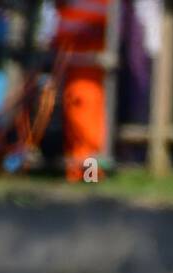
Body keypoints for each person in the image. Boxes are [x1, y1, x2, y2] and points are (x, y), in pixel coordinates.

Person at [55, 0, 113, 181]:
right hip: (75, 53)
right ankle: (80, 173)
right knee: (80, 117)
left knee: (87, 119)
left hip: (87, 55)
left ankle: (89, 174)